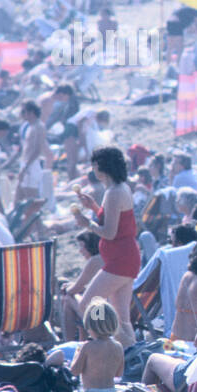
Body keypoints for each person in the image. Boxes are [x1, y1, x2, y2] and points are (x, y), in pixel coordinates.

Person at [71, 145, 139, 347]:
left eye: (94, 166)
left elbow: (109, 233)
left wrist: (87, 224)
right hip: (125, 257)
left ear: (101, 167)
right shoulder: (120, 188)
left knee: (87, 305)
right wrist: (93, 207)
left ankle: (122, 344)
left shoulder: (113, 193)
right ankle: (133, 354)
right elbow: (115, 222)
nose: (92, 170)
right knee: (122, 318)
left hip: (119, 261)